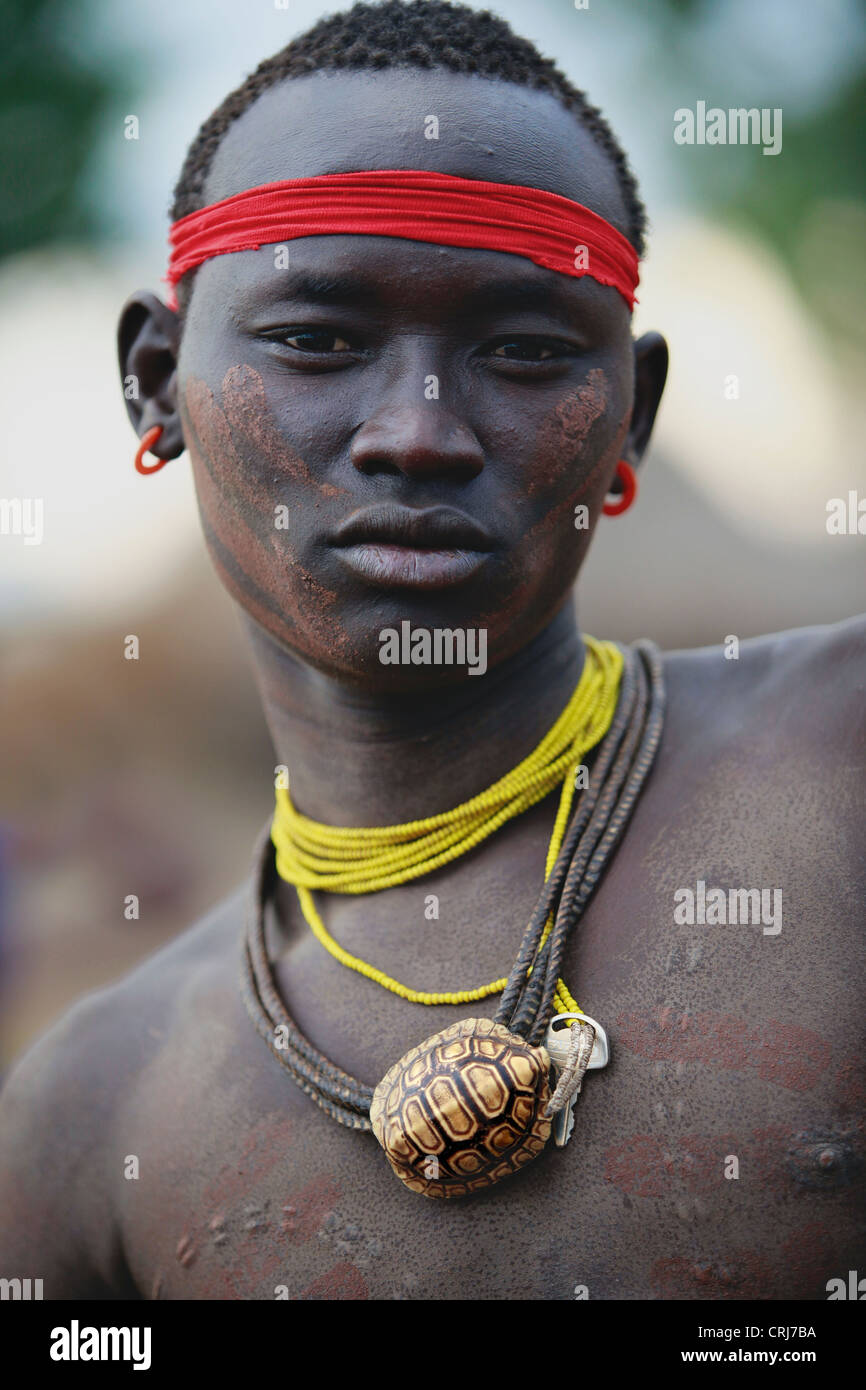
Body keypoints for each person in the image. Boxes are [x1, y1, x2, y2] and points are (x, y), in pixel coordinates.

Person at [0, 0, 862, 1302]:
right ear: (154, 382)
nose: (418, 432)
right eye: (315, 337)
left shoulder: (837, 768)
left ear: (630, 418)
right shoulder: (88, 1113)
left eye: (523, 350)